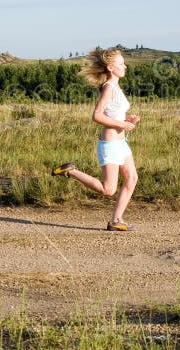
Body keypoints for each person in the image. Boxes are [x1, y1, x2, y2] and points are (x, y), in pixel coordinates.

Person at [52, 48, 140, 231]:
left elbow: (113, 115)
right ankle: (71, 171)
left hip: (121, 143)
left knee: (131, 178)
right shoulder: (108, 88)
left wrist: (127, 121)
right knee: (108, 190)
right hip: (110, 144)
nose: (125, 66)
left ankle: (116, 221)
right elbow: (97, 116)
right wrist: (122, 125)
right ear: (110, 67)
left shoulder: (116, 87)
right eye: (121, 64)